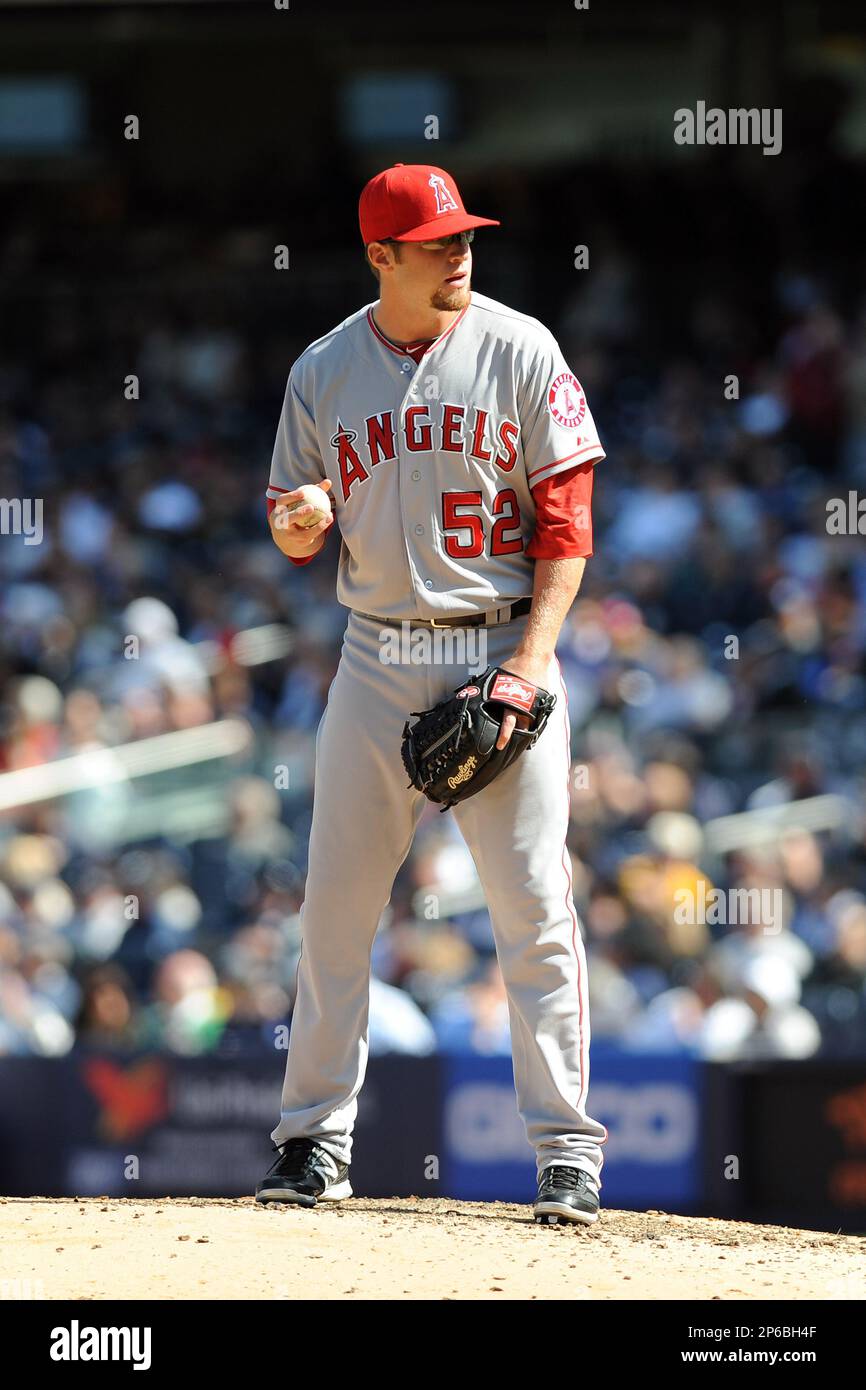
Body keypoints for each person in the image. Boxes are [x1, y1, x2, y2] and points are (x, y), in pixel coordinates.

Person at [257, 164, 608, 1225]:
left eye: (464, 237)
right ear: (381, 255)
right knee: (334, 910)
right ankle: (312, 1141)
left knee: (532, 908)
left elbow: (567, 522)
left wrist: (530, 665)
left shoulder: (518, 346)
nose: (459, 253)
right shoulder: (321, 370)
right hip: (371, 653)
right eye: (436, 242)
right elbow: (285, 518)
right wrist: (297, 523)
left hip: (496, 643)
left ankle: (565, 1152)